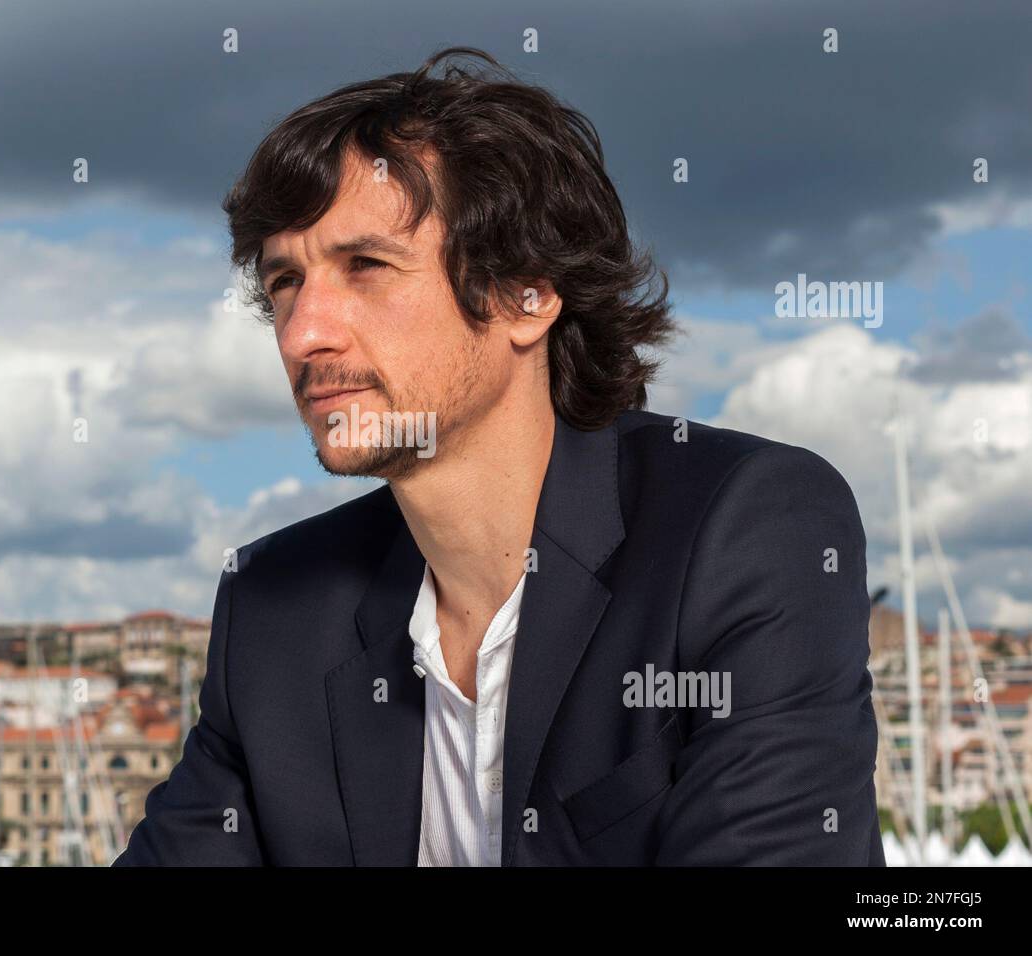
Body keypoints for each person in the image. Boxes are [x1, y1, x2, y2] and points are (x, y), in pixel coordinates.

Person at [113, 46, 884, 866]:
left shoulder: (750, 528)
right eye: (284, 284)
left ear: (529, 294)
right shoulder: (275, 612)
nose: (304, 334)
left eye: (366, 266)